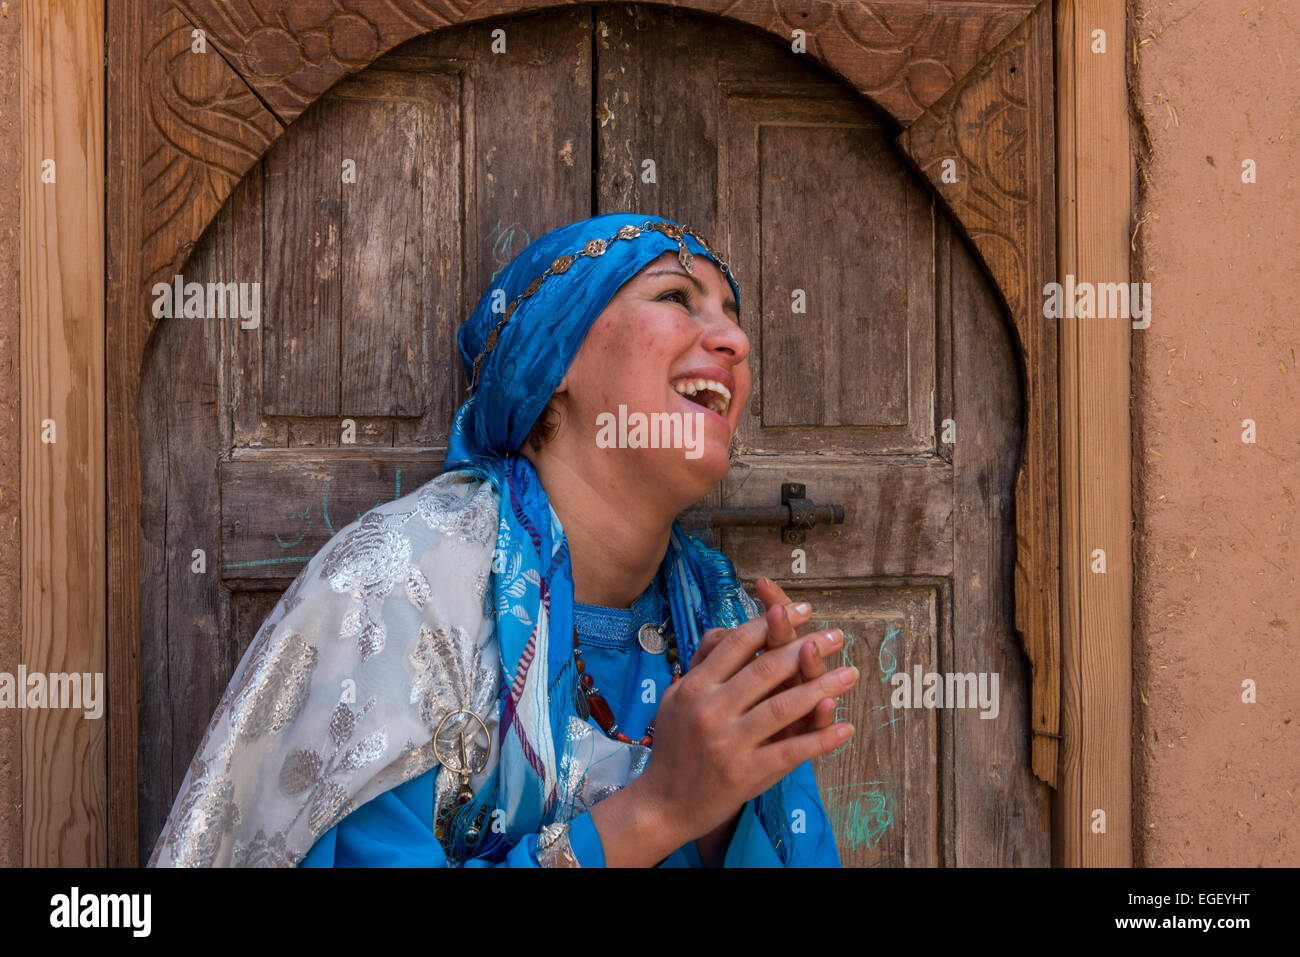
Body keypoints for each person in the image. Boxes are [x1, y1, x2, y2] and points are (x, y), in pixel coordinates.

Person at [149, 213, 858, 868]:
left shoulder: (719, 623)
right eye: (677, 297)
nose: (733, 341)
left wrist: (719, 802)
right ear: (554, 361)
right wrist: (658, 807)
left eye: (732, 317)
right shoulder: (400, 591)